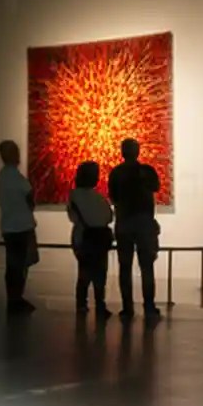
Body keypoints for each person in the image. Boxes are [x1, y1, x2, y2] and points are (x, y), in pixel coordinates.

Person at [107, 138, 161, 321]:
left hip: (124, 223)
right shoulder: (147, 171)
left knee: (125, 267)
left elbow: (113, 197)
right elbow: (156, 187)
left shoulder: (116, 173)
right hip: (144, 223)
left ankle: (127, 307)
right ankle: (149, 305)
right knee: (147, 267)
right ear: (138, 152)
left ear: (122, 152)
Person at [67, 161, 114, 318]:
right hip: (100, 239)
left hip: (83, 237)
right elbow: (108, 217)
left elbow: (72, 217)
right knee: (100, 273)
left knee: (84, 272)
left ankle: (82, 304)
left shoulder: (74, 196)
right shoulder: (100, 198)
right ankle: (100, 305)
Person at [0, 140, 38, 314]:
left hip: (9, 226)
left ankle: (13, 298)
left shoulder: (2, 177)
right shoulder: (16, 177)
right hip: (21, 227)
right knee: (20, 265)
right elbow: (30, 199)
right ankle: (16, 299)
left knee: (13, 265)